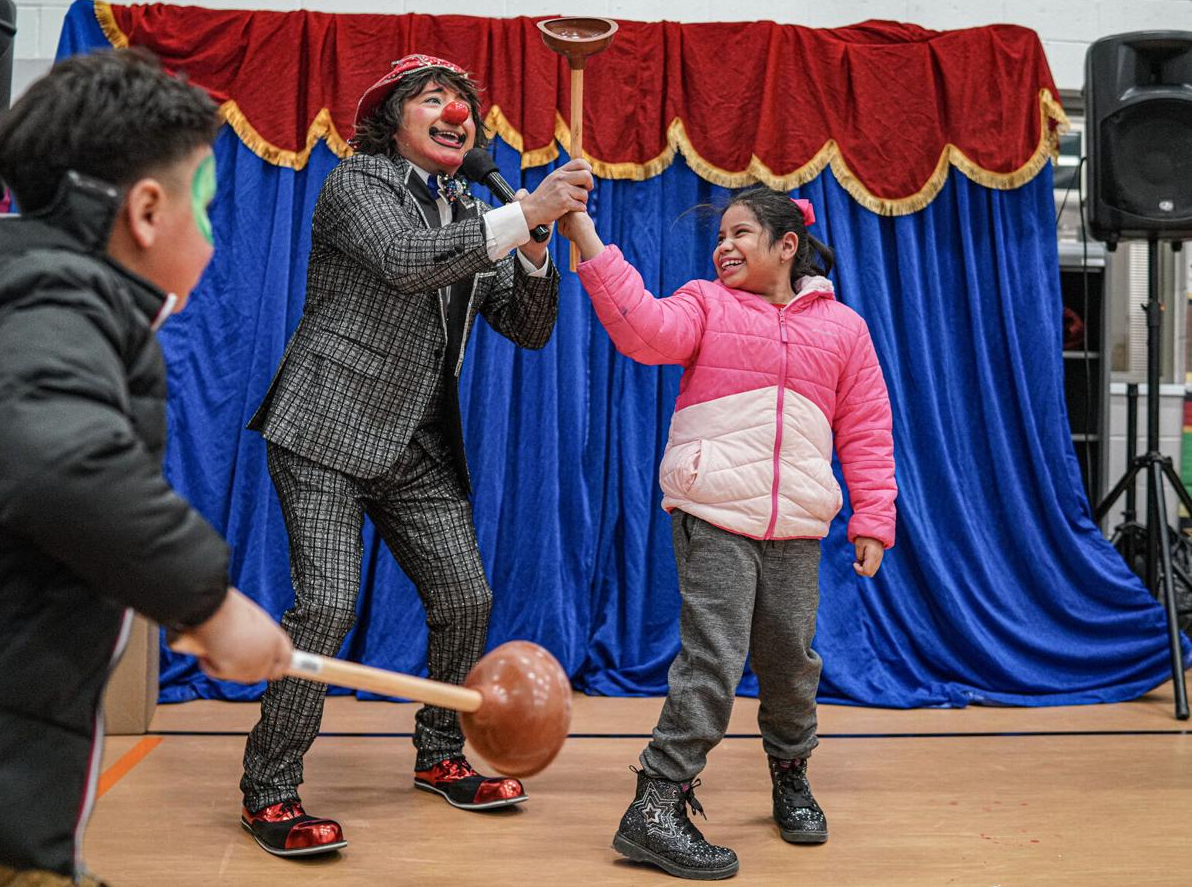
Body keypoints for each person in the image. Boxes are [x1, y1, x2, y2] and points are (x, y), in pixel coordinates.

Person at [0, 48, 294, 886]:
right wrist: (207, 600)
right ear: (144, 210)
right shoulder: (58, 296)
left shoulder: (14, 286)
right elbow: (61, 465)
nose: (211, 237)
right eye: (205, 209)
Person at [240, 53, 591, 856]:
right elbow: (406, 261)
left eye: (463, 100)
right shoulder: (356, 184)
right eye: (433, 98)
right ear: (392, 120)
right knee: (325, 608)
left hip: (414, 444)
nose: (455, 111)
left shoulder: (471, 206)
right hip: (325, 431)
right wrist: (521, 212)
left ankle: (439, 756)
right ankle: (269, 789)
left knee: (466, 597)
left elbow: (527, 327)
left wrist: (536, 239)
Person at [558, 187, 897, 879]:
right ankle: (654, 804)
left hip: (796, 527)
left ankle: (791, 778)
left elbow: (866, 426)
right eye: (720, 235)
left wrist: (872, 516)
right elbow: (640, 327)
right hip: (713, 515)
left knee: (790, 663)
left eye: (741, 232)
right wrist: (585, 236)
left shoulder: (843, 329)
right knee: (712, 659)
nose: (724, 245)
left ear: (786, 245)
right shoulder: (705, 304)